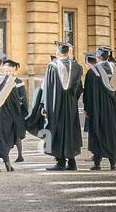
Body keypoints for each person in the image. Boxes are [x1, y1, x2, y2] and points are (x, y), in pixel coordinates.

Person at [28, 41, 84, 171]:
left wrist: (43, 105)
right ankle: (72, 161)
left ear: (58, 53)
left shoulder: (52, 67)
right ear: (68, 52)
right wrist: (72, 100)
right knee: (70, 130)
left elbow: (47, 89)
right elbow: (79, 89)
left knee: (56, 130)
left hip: (55, 106)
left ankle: (60, 162)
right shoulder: (77, 67)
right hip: (70, 106)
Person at [83, 45, 116, 170]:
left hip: (97, 108)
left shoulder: (92, 72)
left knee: (97, 131)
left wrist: (87, 108)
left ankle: (97, 163)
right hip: (112, 107)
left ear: (98, 57)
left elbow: (88, 93)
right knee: (112, 132)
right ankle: (113, 163)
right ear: (108, 56)